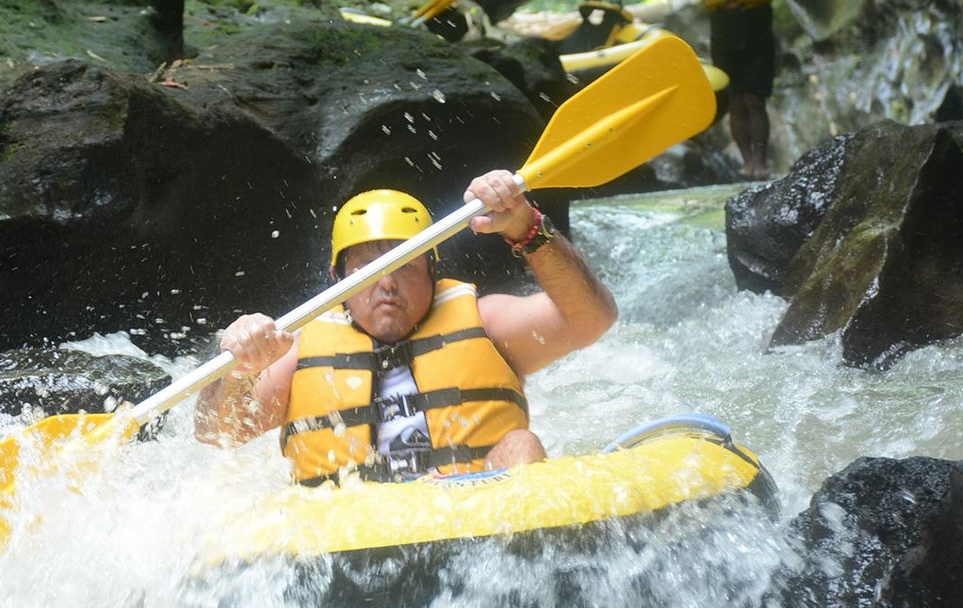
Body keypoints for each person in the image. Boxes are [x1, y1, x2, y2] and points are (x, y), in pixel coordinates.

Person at [194, 170, 617, 486]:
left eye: (405, 265)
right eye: (366, 269)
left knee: (521, 446)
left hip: (477, 521)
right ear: (339, 279)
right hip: (348, 535)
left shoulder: (487, 323)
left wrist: (527, 228)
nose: (387, 283)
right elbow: (214, 431)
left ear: (433, 271)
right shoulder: (297, 351)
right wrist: (239, 369)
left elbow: (591, 318)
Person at [704, 0, 776, 180]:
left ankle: (760, 162)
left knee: (755, 99)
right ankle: (748, 161)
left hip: (755, 20)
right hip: (723, 24)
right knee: (735, 101)